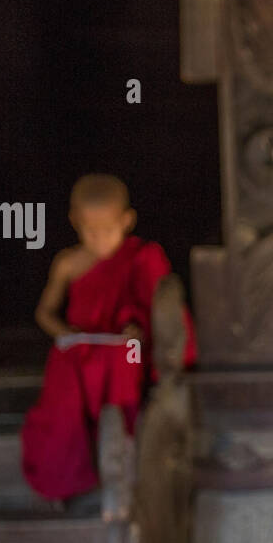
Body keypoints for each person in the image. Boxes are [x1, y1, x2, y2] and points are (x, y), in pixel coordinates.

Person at [20, 174, 196, 502]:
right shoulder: (68, 263)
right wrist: (65, 333)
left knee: (124, 364)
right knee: (62, 403)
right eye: (90, 231)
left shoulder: (141, 257)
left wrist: (137, 330)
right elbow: (44, 313)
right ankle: (69, 479)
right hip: (79, 351)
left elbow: (158, 312)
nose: (99, 240)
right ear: (75, 221)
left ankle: (127, 462)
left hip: (124, 351)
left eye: (108, 230)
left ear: (127, 221)